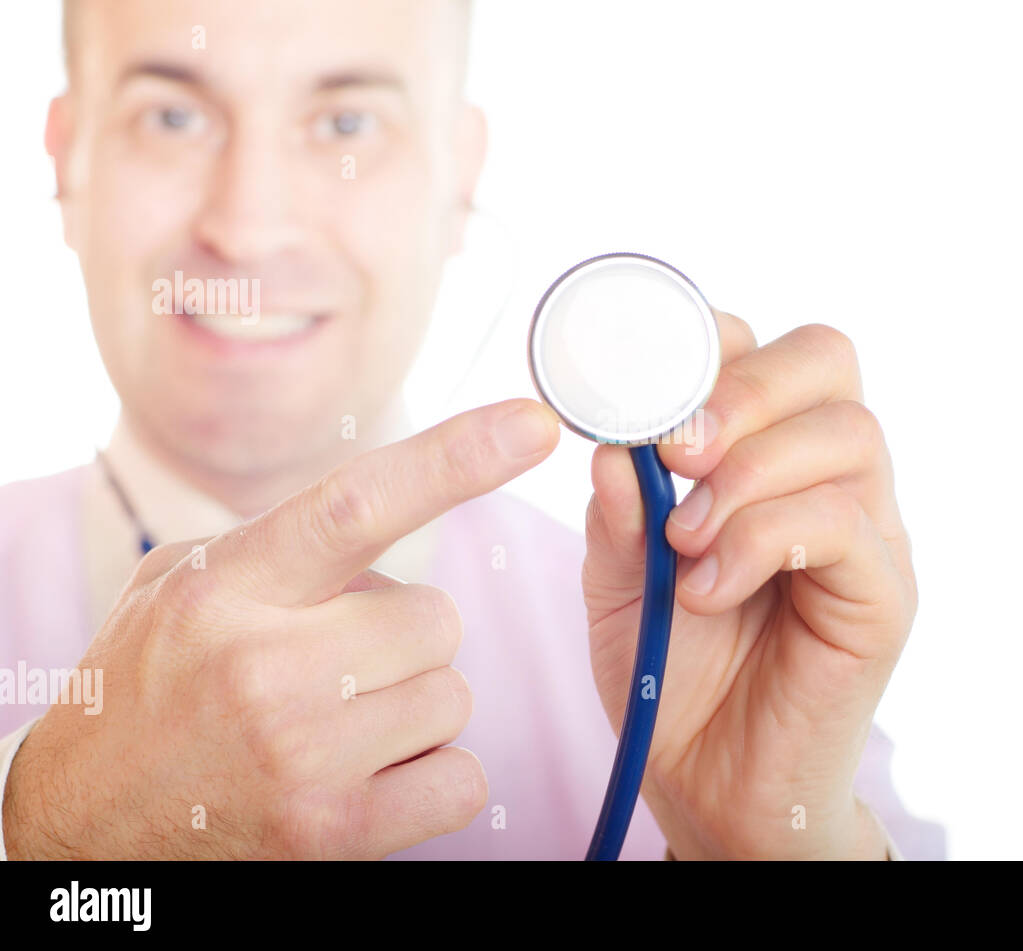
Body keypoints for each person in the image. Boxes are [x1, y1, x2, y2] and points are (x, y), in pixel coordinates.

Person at [0, 0, 944, 860]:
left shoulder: (704, 634)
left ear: (461, 181)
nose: (248, 227)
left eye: (345, 123)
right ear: (65, 159)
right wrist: (38, 828)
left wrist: (761, 845)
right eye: (173, 116)